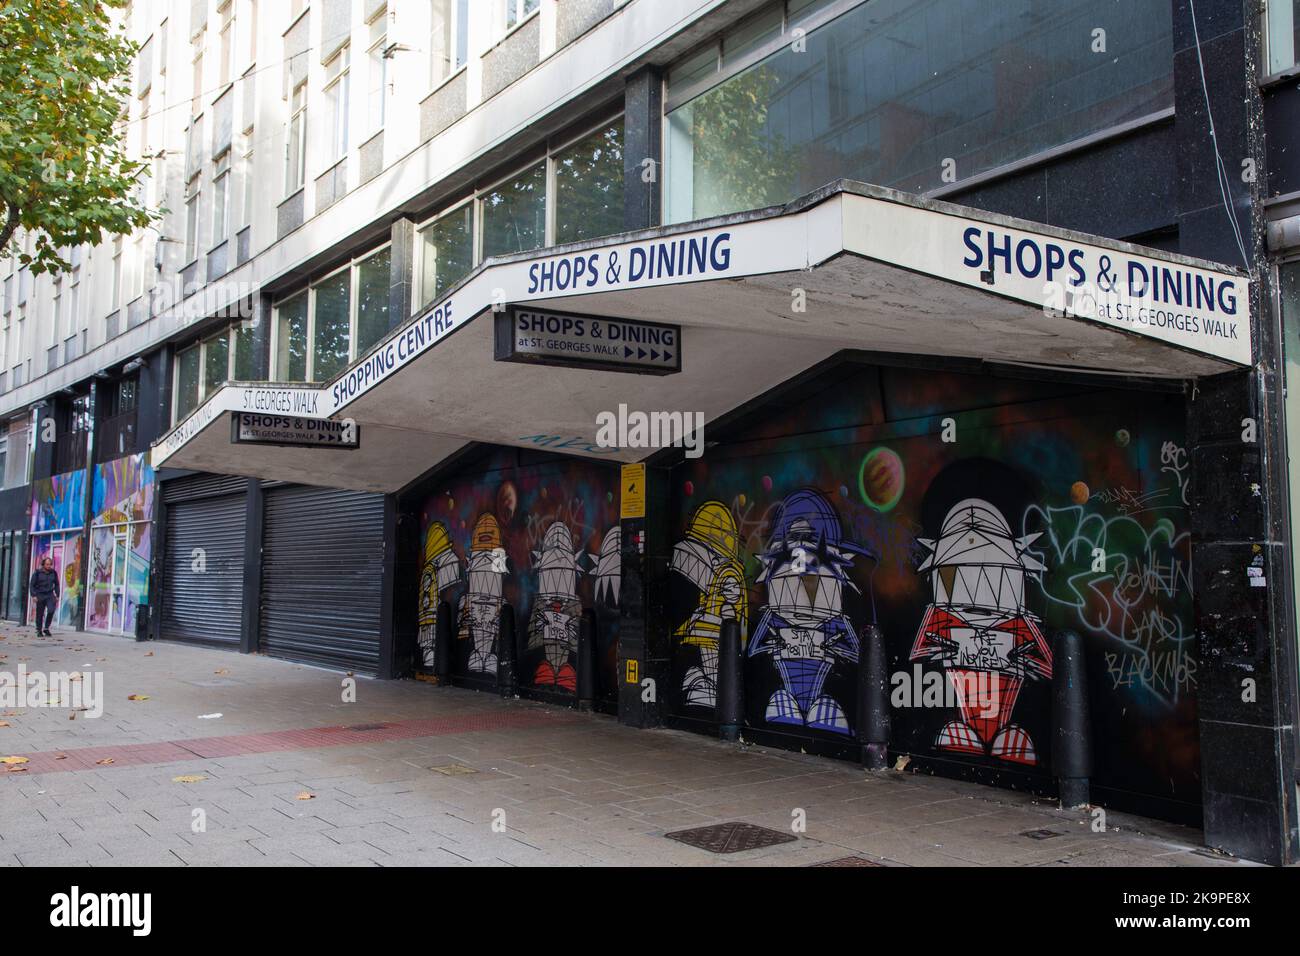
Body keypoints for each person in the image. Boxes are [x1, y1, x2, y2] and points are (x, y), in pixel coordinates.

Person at [29, 556, 59, 637]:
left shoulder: (53, 572)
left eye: (50, 564)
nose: (48, 566)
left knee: (51, 610)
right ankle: (39, 630)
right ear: (43, 564)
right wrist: (33, 595)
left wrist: (57, 595)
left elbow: (56, 584)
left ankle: (46, 628)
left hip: (50, 594)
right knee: (40, 613)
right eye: (47, 564)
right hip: (40, 594)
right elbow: (32, 585)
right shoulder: (37, 573)